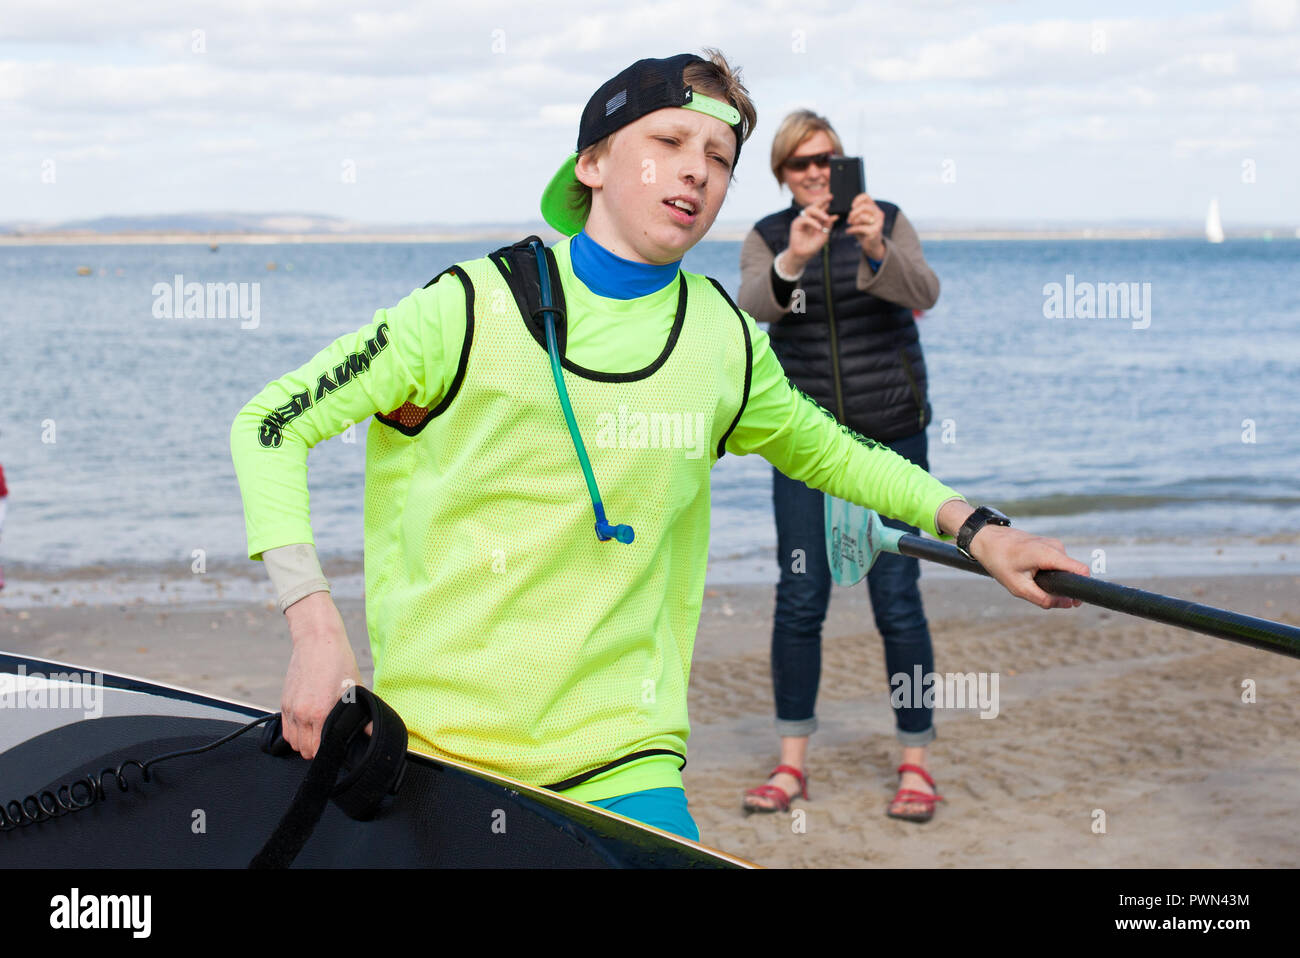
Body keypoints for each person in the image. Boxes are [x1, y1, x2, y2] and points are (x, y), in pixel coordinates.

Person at [230, 52, 1086, 843]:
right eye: (670, 140)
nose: (697, 170)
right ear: (591, 164)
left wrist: (978, 529)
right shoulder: (466, 307)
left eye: (719, 157)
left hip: (626, 757)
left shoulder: (721, 337)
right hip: (441, 751)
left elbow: (833, 451)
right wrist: (314, 629)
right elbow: (269, 425)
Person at [737, 110, 948, 821]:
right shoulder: (768, 236)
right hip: (805, 446)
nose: (818, 173)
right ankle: (791, 763)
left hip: (892, 437)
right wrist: (793, 258)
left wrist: (878, 249)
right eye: (803, 164)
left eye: (828, 159)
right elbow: (754, 309)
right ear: (783, 176)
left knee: (898, 597)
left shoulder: (883, 218)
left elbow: (924, 293)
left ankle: (915, 762)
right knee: (800, 599)